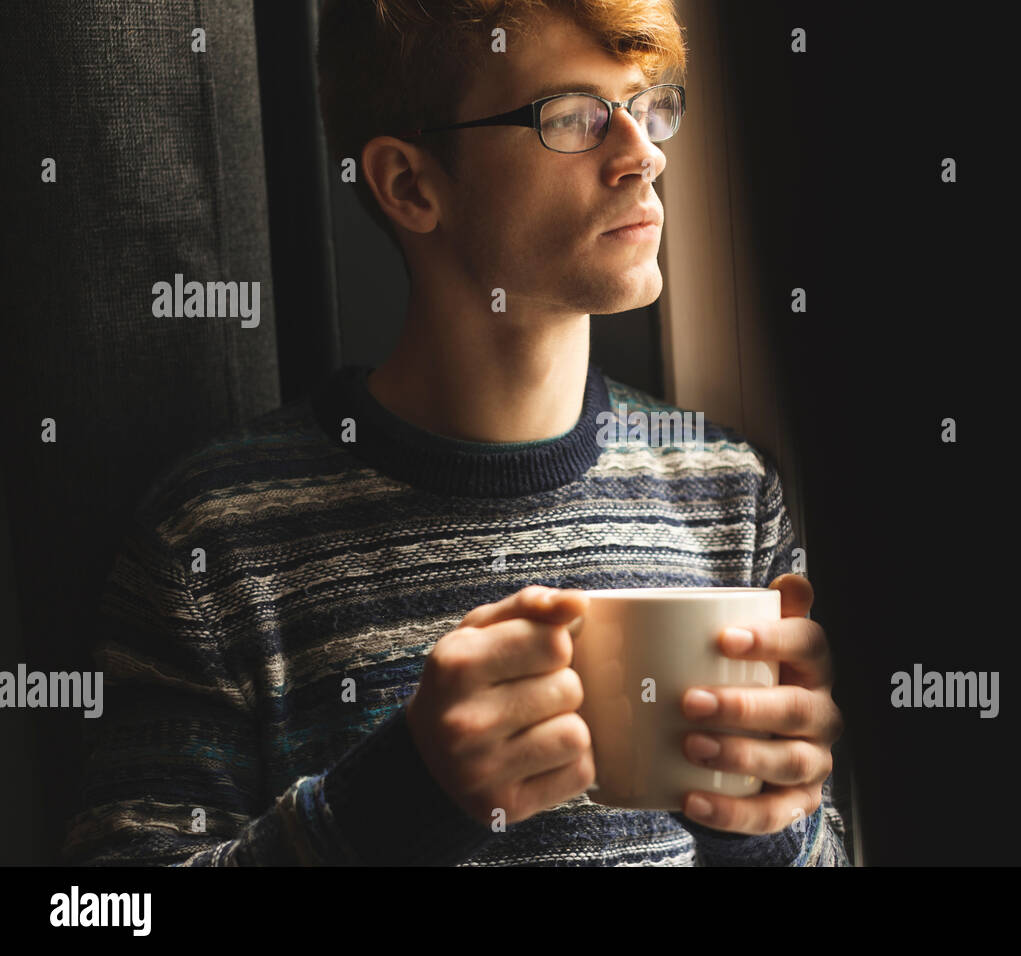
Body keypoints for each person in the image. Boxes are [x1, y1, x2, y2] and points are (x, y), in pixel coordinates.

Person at [60, 0, 849, 866]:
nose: (643, 155)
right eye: (575, 118)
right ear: (409, 184)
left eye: (649, 104)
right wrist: (396, 802)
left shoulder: (729, 493)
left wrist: (766, 830)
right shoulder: (213, 539)